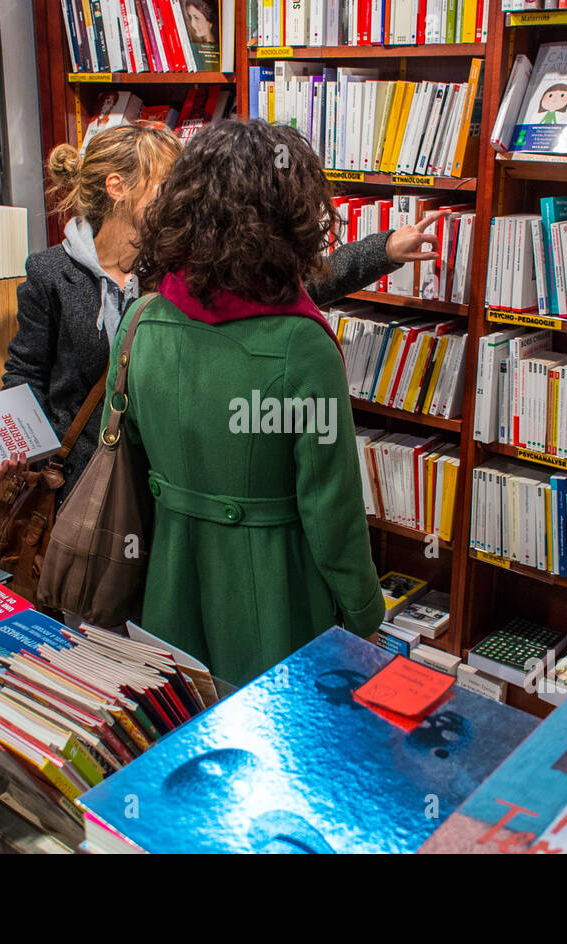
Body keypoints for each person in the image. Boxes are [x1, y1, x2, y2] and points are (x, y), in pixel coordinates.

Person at [105, 119, 441, 687]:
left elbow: (132, 465)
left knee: (185, 750)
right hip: (274, 603)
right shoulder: (301, 347)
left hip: (167, 592)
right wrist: (365, 614)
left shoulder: (140, 323)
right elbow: (330, 509)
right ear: (292, 217)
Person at [0, 121, 445, 496]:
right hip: (80, 482)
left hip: (163, 481)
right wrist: (20, 451)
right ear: (118, 188)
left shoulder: (180, 264)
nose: (183, 197)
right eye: (167, 184)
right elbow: (26, 373)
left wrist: (383, 248)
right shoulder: (50, 273)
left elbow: (294, 285)